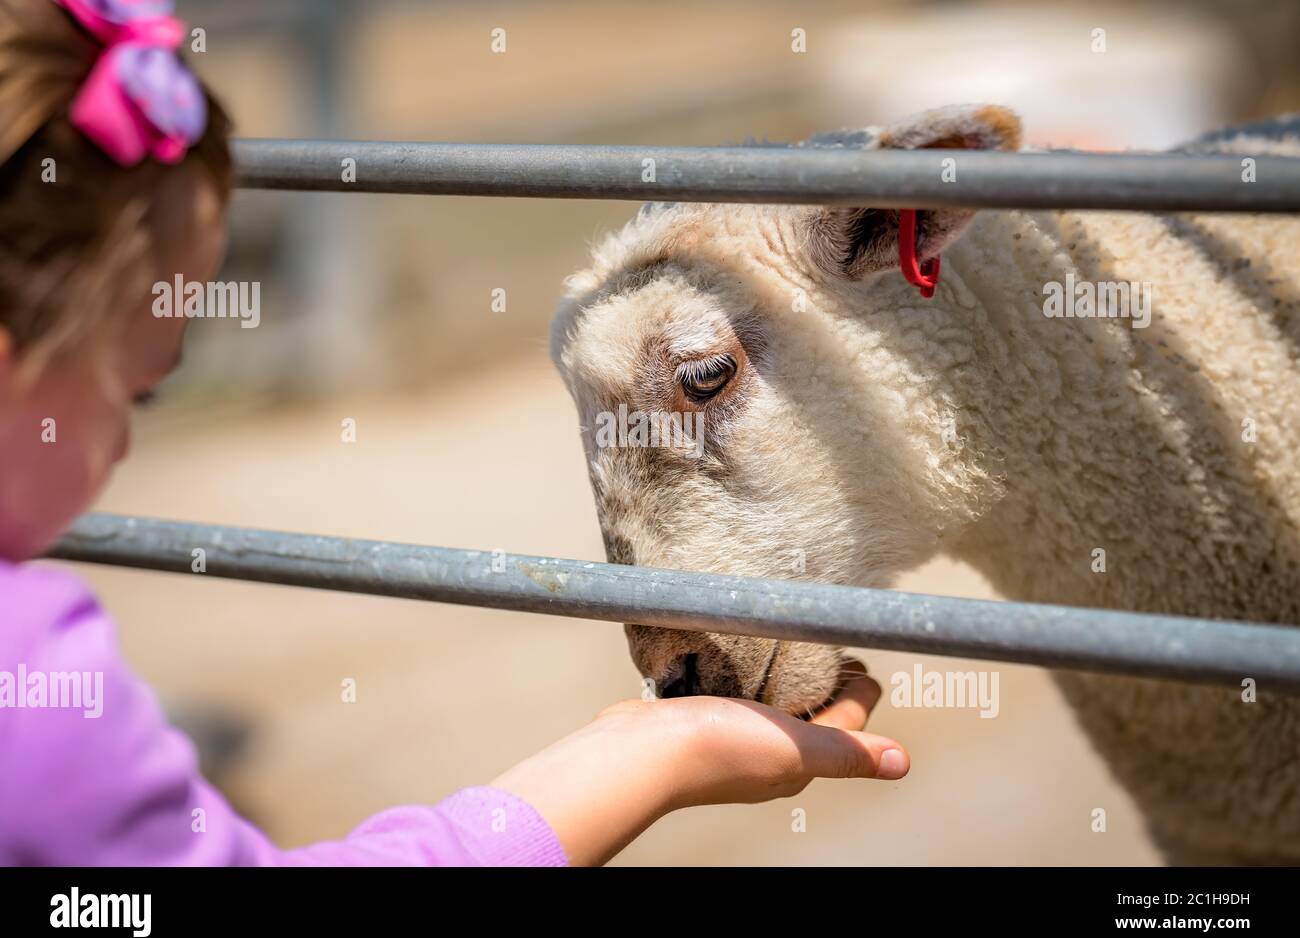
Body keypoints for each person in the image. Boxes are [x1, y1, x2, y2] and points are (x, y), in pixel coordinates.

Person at [0, 0, 909, 867]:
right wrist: (658, 760)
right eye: (140, 391)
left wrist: (656, 750)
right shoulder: (29, 666)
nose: (123, 448)